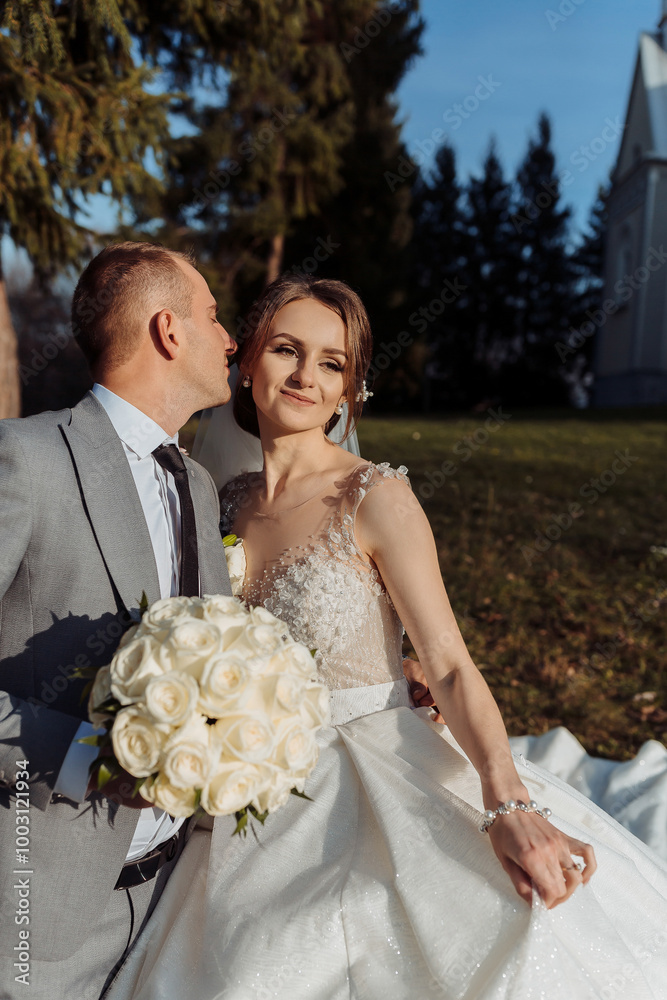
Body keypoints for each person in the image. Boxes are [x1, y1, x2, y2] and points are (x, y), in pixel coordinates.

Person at [107, 274, 667, 1000]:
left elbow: (450, 665)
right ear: (247, 361)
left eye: (332, 363)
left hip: (374, 764)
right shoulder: (221, 502)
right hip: (248, 776)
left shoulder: (374, 496)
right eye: (285, 350)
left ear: (349, 391)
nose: (306, 376)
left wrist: (510, 806)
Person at [0, 242, 235, 999]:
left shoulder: (196, 484)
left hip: (173, 903)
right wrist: (87, 752)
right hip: (36, 910)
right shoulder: (23, 459)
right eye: (212, 315)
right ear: (169, 331)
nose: (230, 337)